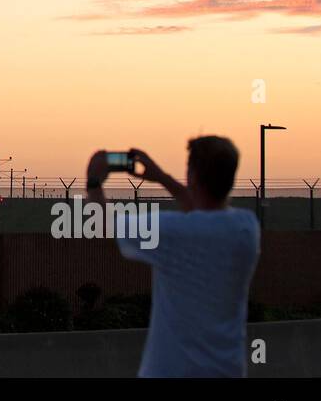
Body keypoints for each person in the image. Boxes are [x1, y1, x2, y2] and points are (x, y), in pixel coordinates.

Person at [85, 136, 260, 377]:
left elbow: (104, 222)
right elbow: (205, 213)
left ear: (192, 176)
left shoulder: (172, 232)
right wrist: (162, 178)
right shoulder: (246, 228)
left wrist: (94, 181)